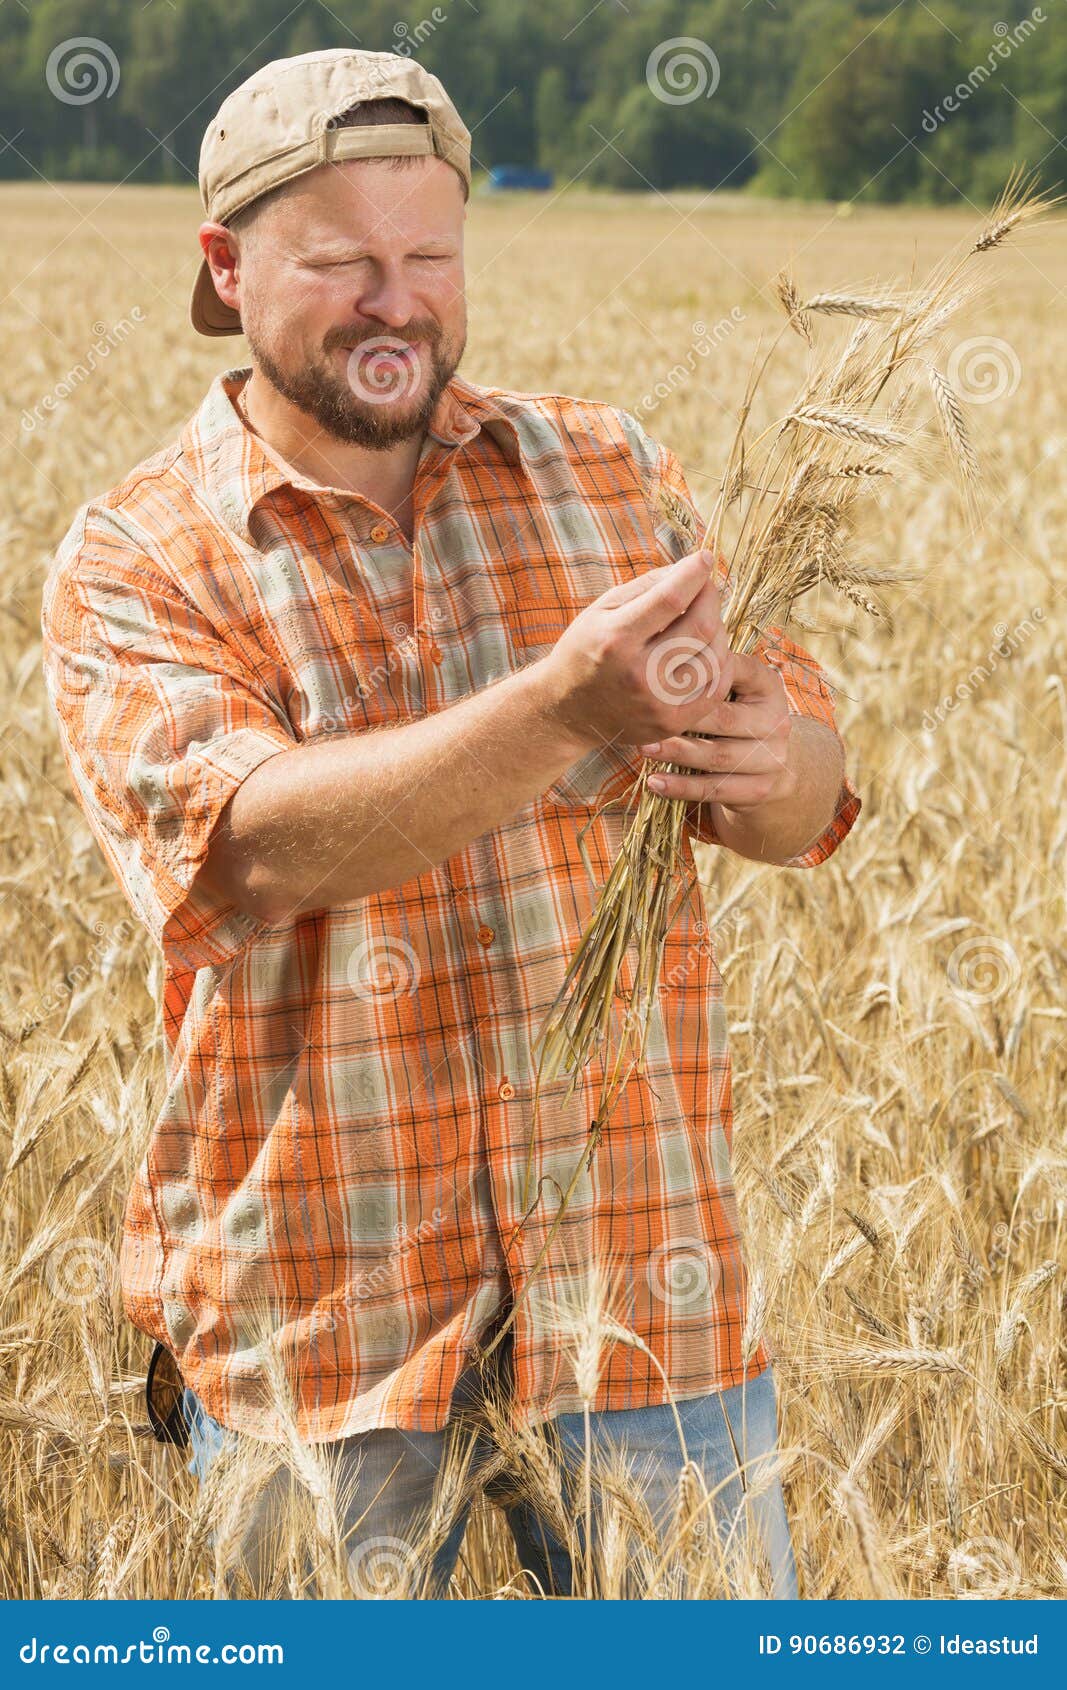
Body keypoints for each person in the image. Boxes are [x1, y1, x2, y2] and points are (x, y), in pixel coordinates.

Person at [40, 47, 860, 1598]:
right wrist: (562, 706)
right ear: (224, 265)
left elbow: (808, 778)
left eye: (430, 256)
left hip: (641, 1300)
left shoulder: (609, 471)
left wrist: (776, 765)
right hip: (320, 1331)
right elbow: (254, 850)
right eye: (342, 261)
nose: (395, 302)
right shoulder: (135, 559)